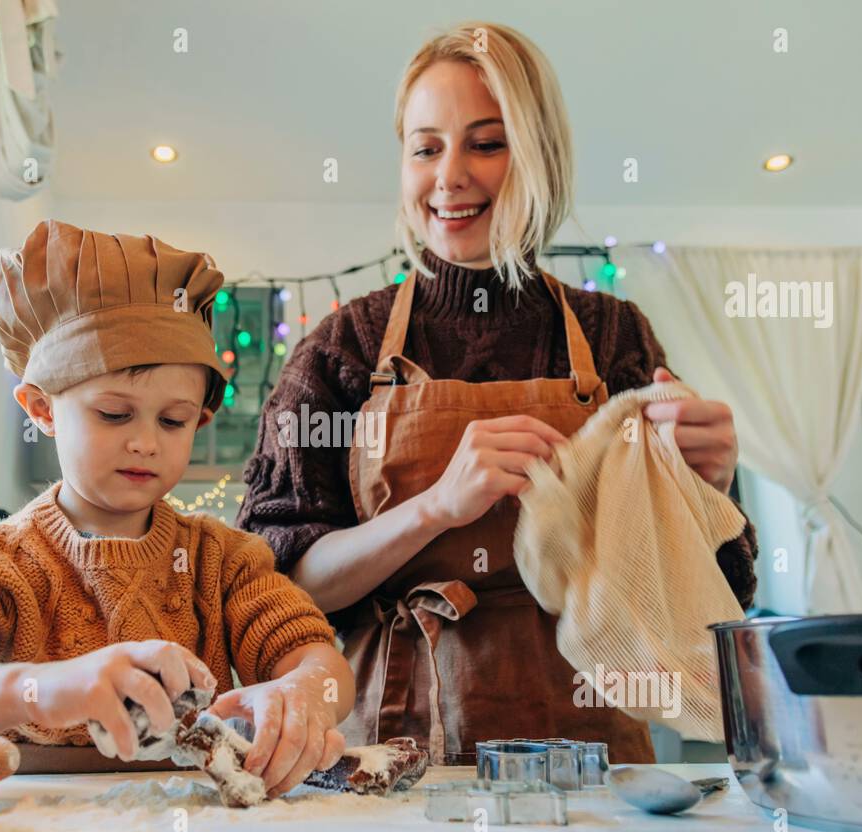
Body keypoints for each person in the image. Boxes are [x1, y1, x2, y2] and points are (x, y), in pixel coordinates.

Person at [238, 23, 757, 764]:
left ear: (539, 156)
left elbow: (695, 597)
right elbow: (282, 591)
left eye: (486, 143)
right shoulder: (342, 347)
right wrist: (435, 509)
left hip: (589, 748)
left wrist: (709, 488)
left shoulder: (612, 336)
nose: (449, 177)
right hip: (385, 751)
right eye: (426, 148)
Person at [0, 220, 354, 797]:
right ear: (41, 409)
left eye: (173, 421)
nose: (146, 441)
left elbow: (319, 662)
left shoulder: (225, 562)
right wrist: (41, 688)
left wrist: (303, 693)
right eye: (115, 414)